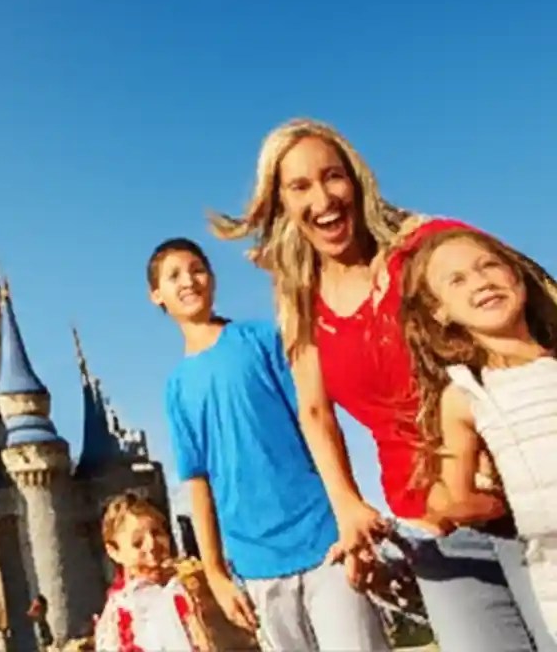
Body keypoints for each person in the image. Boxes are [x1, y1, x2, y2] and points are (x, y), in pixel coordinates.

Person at [209, 117, 545, 652]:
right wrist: (347, 506)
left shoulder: (425, 245)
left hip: (519, 491)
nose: (323, 199)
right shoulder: (301, 300)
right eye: (300, 186)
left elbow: (530, 300)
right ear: (281, 203)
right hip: (434, 523)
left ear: (357, 179)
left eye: (332, 176)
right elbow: (315, 413)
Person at [147, 237, 389, 650]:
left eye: (197, 269)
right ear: (157, 295)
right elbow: (198, 483)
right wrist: (216, 574)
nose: (188, 280)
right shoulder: (176, 389)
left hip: (324, 537)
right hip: (256, 564)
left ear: (212, 278)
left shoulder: (262, 339)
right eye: (174, 276)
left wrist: (347, 507)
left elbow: (317, 420)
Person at [400, 226, 557, 639]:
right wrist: (506, 502)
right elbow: (457, 498)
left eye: (489, 265)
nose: (481, 281)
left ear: (517, 277)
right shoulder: (465, 394)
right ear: (440, 311)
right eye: (457, 280)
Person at [95, 492, 211, 652]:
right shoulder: (121, 609)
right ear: (114, 552)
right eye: (137, 543)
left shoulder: (183, 586)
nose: (151, 545)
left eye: (157, 533)